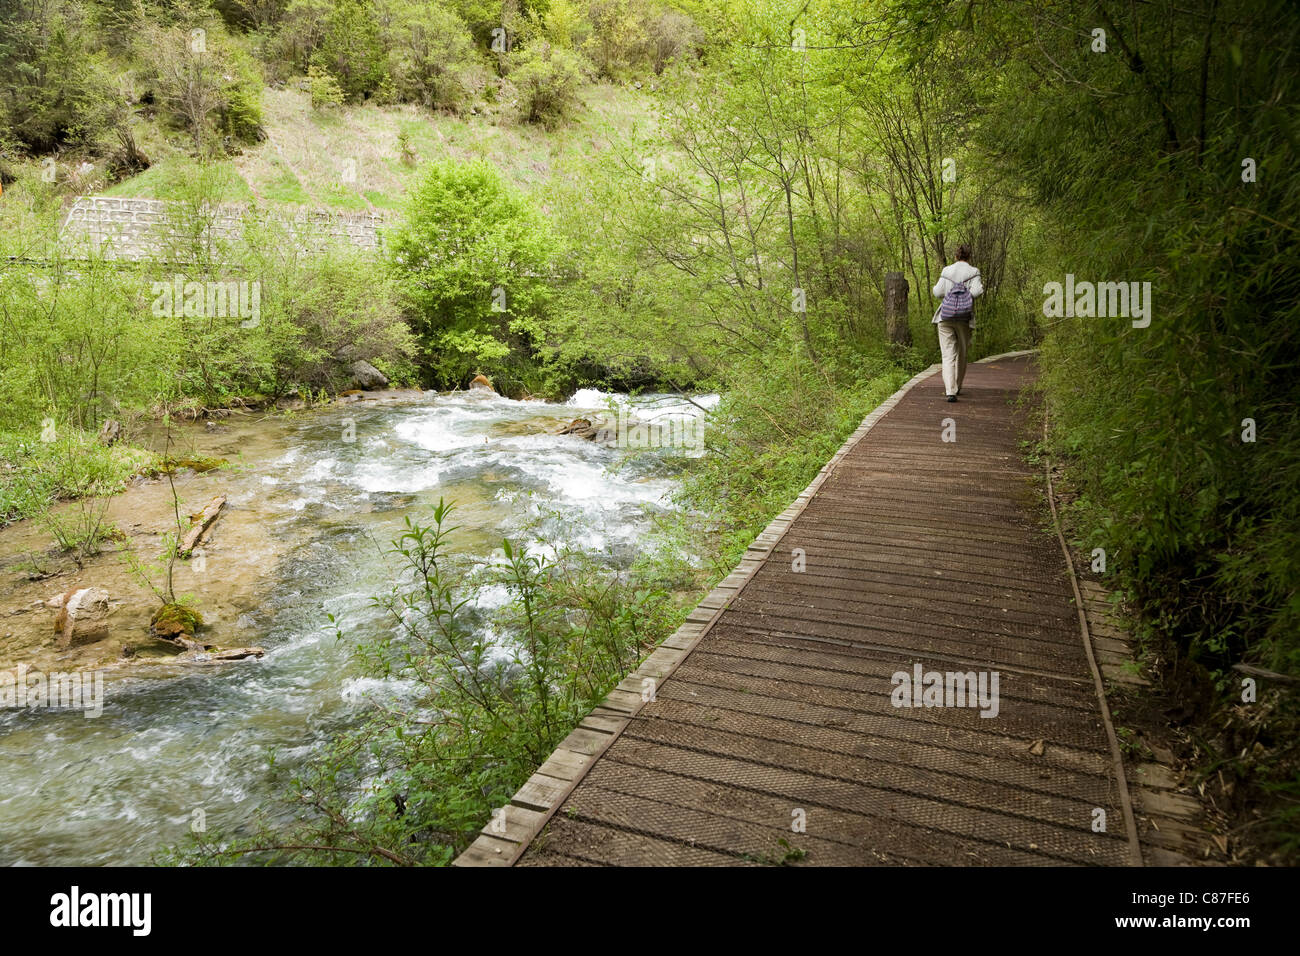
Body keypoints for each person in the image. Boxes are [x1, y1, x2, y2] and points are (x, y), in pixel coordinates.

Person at [931, 244, 983, 402]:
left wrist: (950, 292)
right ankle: (957, 386)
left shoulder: (947, 271)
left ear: (956, 256)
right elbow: (978, 291)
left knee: (947, 355)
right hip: (964, 318)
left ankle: (950, 391)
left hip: (945, 317)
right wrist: (965, 295)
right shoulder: (973, 272)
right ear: (969, 257)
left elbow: (938, 292)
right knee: (962, 353)